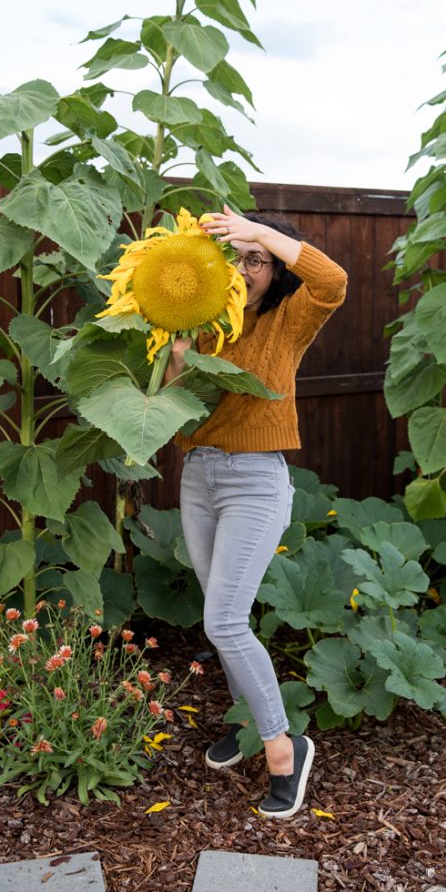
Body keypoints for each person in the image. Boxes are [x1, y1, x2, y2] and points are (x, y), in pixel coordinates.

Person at [166, 205, 347, 818]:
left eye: (256, 262)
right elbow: (170, 400)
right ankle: (251, 723)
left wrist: (261, 232)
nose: (244, 270)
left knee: (224, 622)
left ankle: (283, 748)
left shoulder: (289, 320)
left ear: (275, 270)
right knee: (223, 620)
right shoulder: (206, 321)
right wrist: (178, 351)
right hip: (199, 477)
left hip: (255, 481)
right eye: (235, 259)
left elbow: (334, 282)